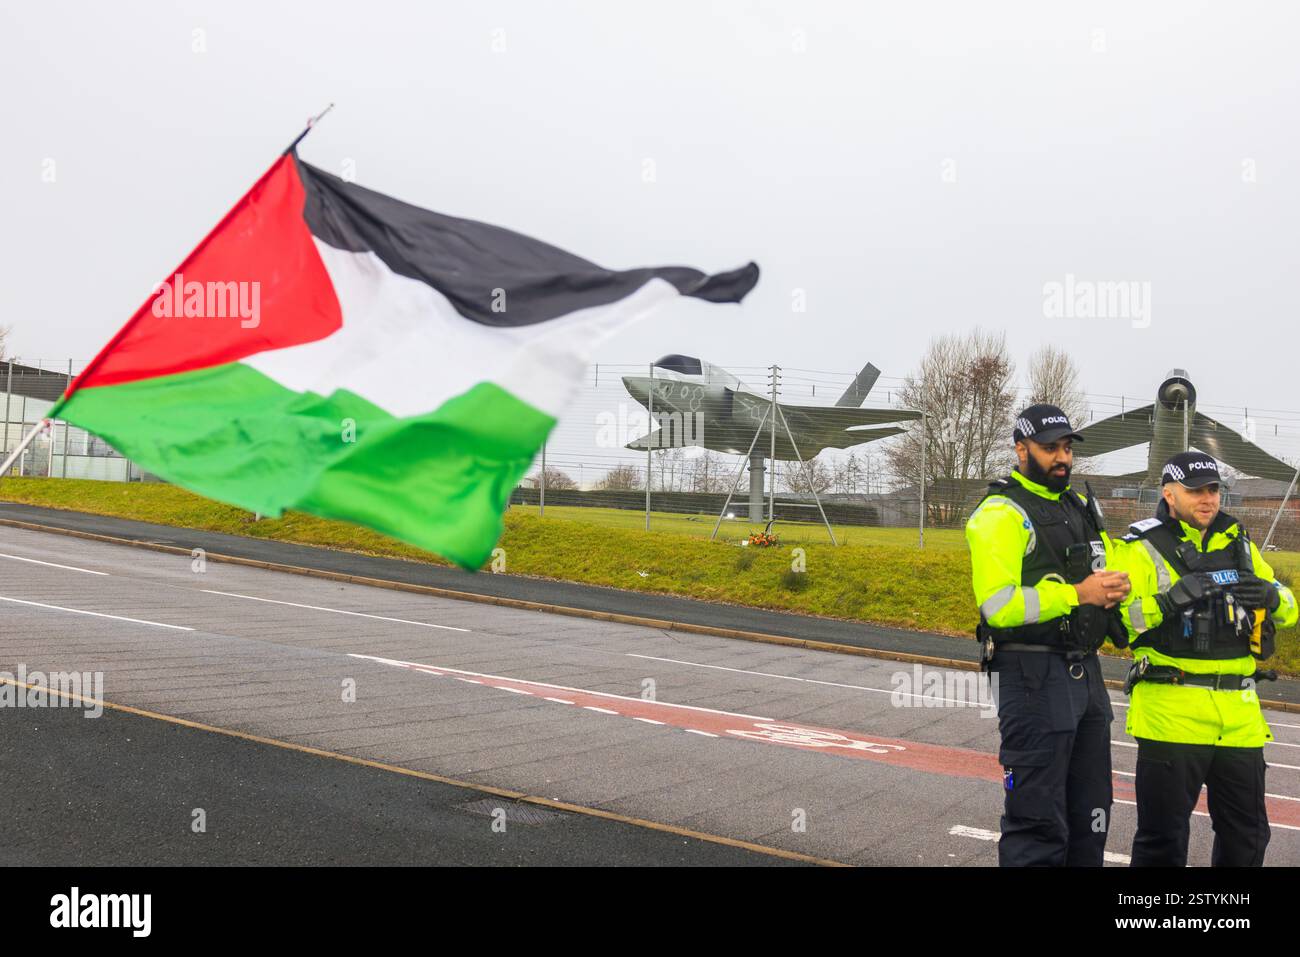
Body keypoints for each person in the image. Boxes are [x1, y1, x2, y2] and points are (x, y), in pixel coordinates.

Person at [965, 404, 1130, 866]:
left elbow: (1108, 569)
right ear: (1021, 449)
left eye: (1066, 448)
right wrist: (1079, 594)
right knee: (1038, 822)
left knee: (1092, 812)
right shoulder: (1000, 512)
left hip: (1086, 673)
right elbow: (997, 607)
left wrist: (1118, 586)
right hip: (1031, 674)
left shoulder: (1076, 507)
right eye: (1048, 447)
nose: (1062, 458)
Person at [1115, 450, 1297, 866]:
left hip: (1240, 721)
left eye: (1213, 489)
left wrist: (1273, 597)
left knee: (1248, 837)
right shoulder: (1140, 547)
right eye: (1195, 490)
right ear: (1169, 493)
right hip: (1171, 714)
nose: (1207, 498)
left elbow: (1288, 609)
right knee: (1163, 840)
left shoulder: (1240, 543)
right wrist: (1169, 601)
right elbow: (1120, 624)